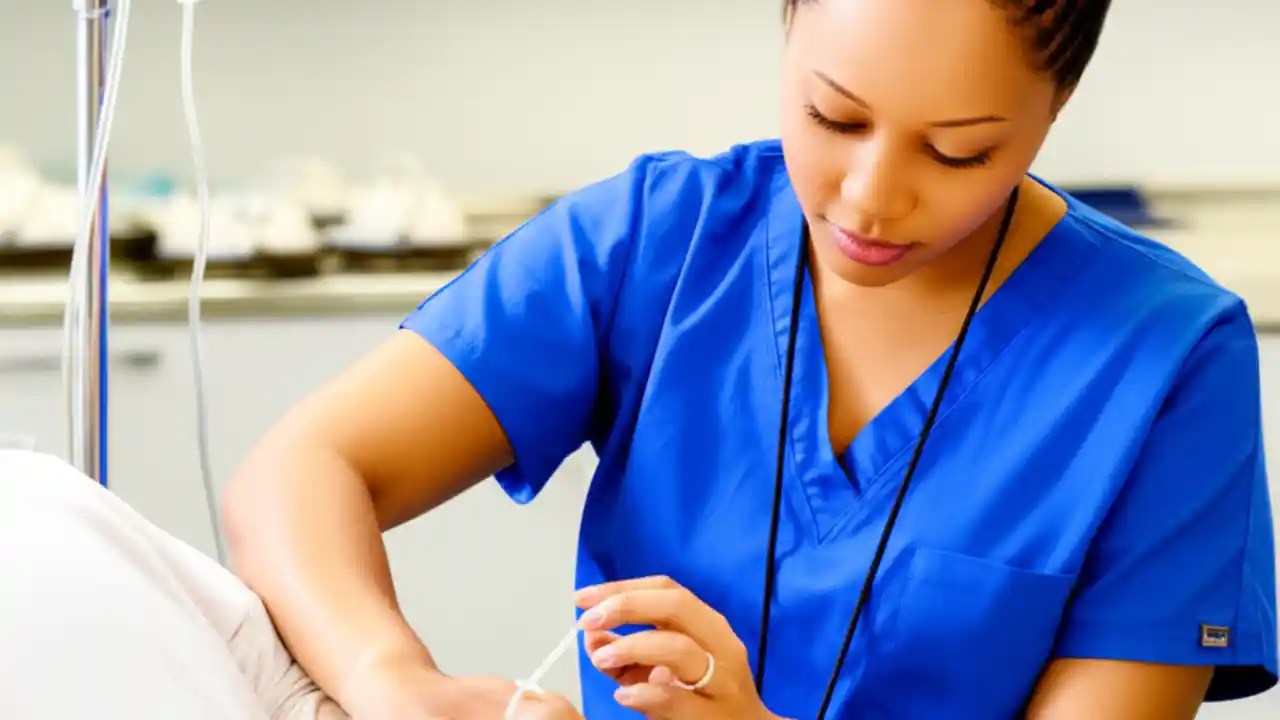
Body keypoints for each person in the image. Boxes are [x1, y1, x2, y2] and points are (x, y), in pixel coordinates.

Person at [223, 0, 1278, 718]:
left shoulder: (1167, 358)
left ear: (1057, 105)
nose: (868, 199)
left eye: (957, 150)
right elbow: (299, 472)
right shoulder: (658, 240)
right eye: (833, 116)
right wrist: (393, 682)